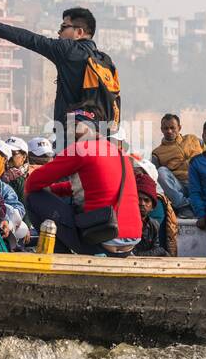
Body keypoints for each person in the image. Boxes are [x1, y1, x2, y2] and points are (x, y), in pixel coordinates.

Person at [0, 8, 119, 144]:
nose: (59, 32)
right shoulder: (105, 60)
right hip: (99, 134)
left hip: (71, 135)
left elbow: (31, 40)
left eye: (63, 27)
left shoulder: (68, 50)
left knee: (65, 177)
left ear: (79, 32)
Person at [23, 108, 141, 255]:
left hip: (101, 240)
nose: (71, 133)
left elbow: (32, 182)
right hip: (130, 244)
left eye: (75, 127)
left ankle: (60, 257)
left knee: (33, 197)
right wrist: (54, 189)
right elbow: (92, 187)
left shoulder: (82, 149)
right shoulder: (119, 153)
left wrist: (46, 191)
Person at [151, 113, 202, 214]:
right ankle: (184, 206)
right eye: (166, 128)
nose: (169, 131)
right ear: (161, 129)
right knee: (160, 171)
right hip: (179, 187)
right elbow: (153, 176)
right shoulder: (157, 152)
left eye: (172, 128)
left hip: (198, 183)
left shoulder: (193, 139)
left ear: (179, 128)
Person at [133, 169, 175, 256]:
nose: (142, 204)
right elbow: (132, 253)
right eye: (139, 199)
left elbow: (155, 248)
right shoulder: (127, 223)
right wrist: (160, 251)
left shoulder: (154, 224)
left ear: (152, 207)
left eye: (146, 201)